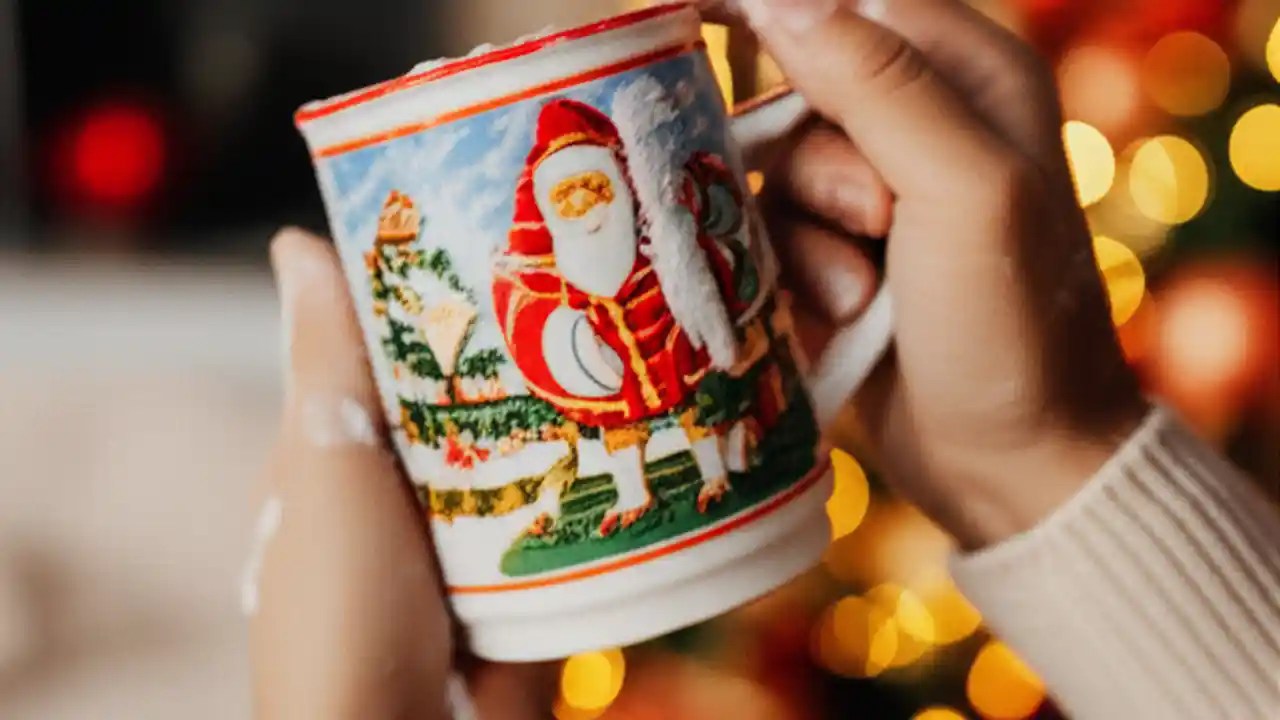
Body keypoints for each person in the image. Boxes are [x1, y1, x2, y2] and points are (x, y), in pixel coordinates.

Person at [248, 0, 1280, 718]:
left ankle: (714, 477)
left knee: (691, 425)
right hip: (605, 379)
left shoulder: (658, 239)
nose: (579, 208)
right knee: (619, 444)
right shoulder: (538, 272)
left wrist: (1033, 454)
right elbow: (529, 320)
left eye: (588, 189)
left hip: (666, 352)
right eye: (562, 199)